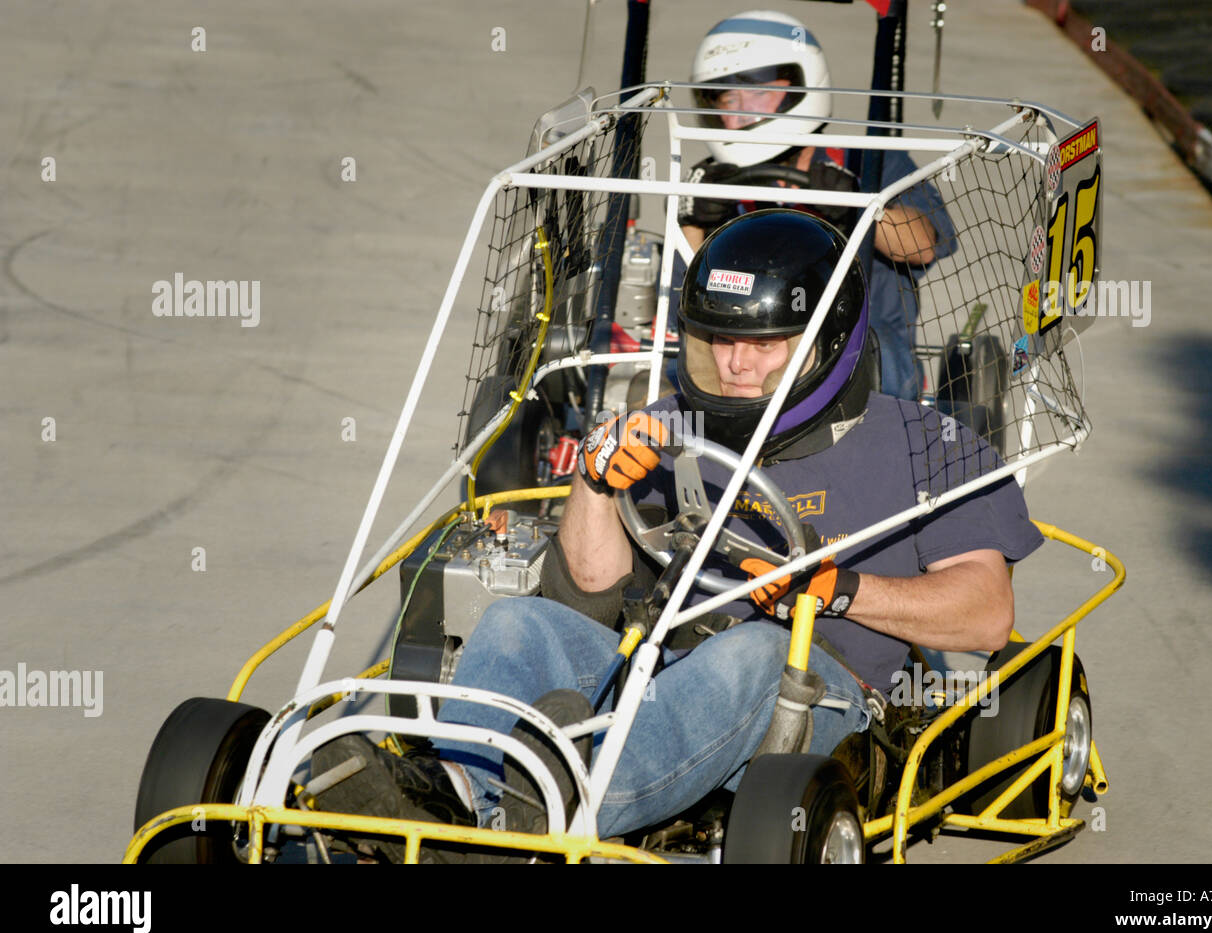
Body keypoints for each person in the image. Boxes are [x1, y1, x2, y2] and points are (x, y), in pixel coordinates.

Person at [311, 210, 1041, 859]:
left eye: (766, 344)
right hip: (656, 675)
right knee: (514, 623)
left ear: (829, 343)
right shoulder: (669, 423)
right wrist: (595, 485)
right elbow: (588, 591)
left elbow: (986, 613)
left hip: (826, 705)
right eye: (719, 340)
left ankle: (572, 798)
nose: (735, 364)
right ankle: (456, 801)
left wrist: (837, 590)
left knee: (754, 646)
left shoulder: (926, 442)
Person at [678, 9, 957, 402]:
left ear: (799, 88)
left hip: (861, 346)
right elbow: (685, 299)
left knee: (873, 371)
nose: (738, 114)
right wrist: (695, 222)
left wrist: (859, 207)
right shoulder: (716, 183)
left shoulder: (866, 162)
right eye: (727, 98)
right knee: (675, 373)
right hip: (745, 351)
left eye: (758, 93)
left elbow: (923, 244)